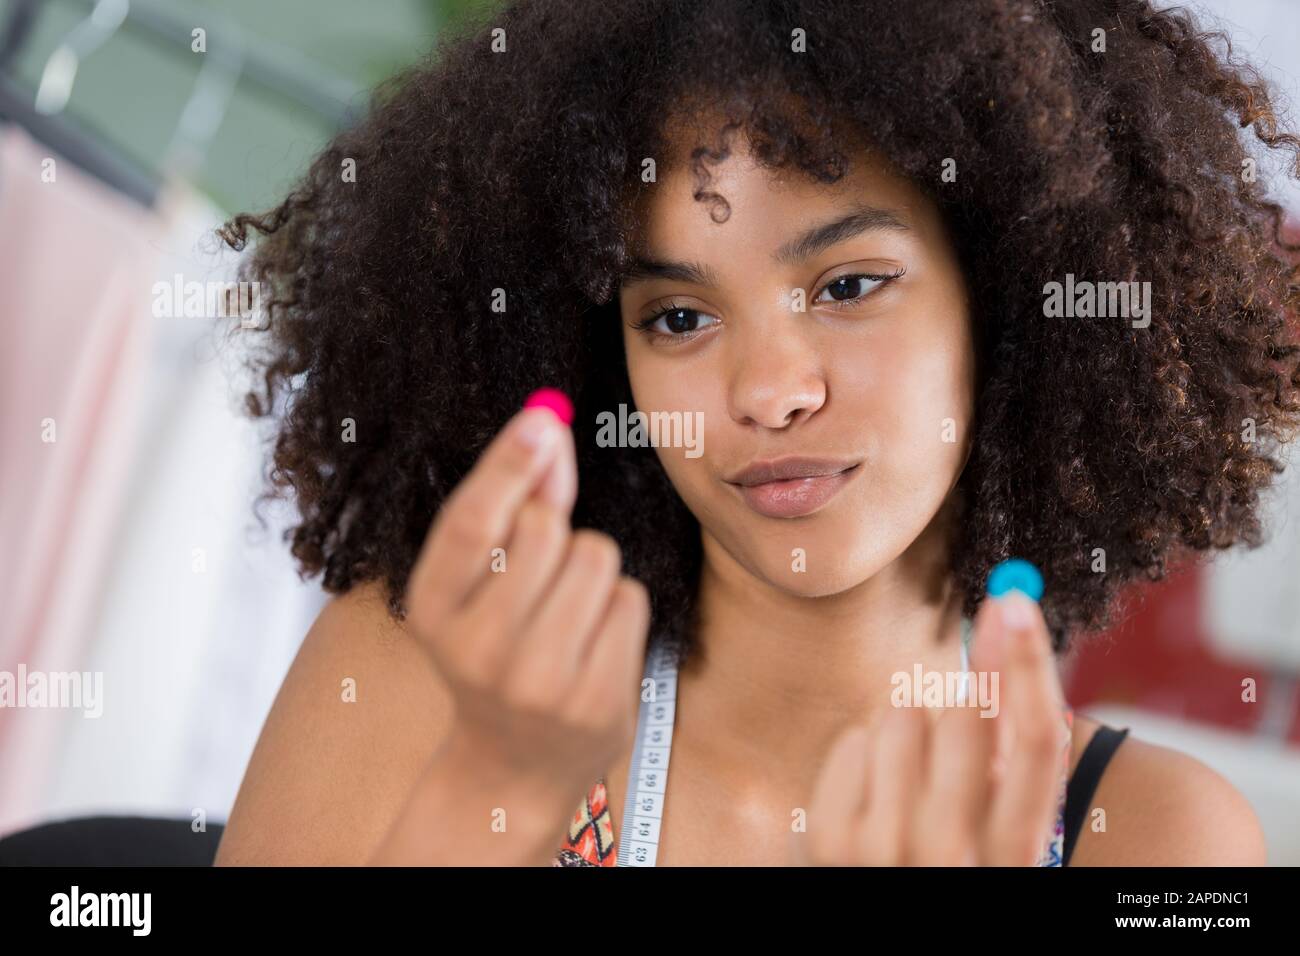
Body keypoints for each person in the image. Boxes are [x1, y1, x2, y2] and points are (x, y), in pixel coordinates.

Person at [212, 0, 1299, 866]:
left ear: (1006, 298)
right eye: (679, 316)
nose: (770, 391)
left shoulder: (1151, 838)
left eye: (848, 283)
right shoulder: (421, 685)